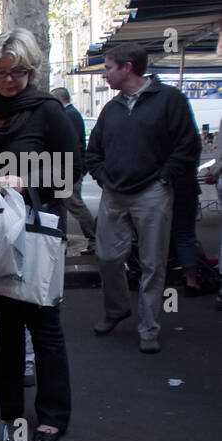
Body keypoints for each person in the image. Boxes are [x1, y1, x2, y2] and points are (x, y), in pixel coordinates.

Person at [0, 32, 80, 441]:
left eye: (17, 71)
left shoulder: (48, 111)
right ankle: (9, 409)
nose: (8, 80)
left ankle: (54, 414)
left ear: (31, 69)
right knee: (7, 324)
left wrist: (27, 180)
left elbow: (73, 170)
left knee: (44, 322)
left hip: (37, 231)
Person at [86, 46, 201, 353]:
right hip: (114, 192)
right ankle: (117, 308)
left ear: (127, 68)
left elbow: (188, 145)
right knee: (108, 256)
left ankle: (149, 327)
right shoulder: (111, 109)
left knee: (153, 262)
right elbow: (94, 149)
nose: (104, 73)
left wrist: (165, 177)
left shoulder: (169, 100)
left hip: (152, 192)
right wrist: (101, 174)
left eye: (108, 67)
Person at [50, 86, 98, 252]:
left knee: (74, 205)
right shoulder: (72, 114)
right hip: (67, 168)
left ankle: (94, 238)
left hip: (68, 169)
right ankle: (60, 236)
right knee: (62, 203)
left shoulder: (68, 115)